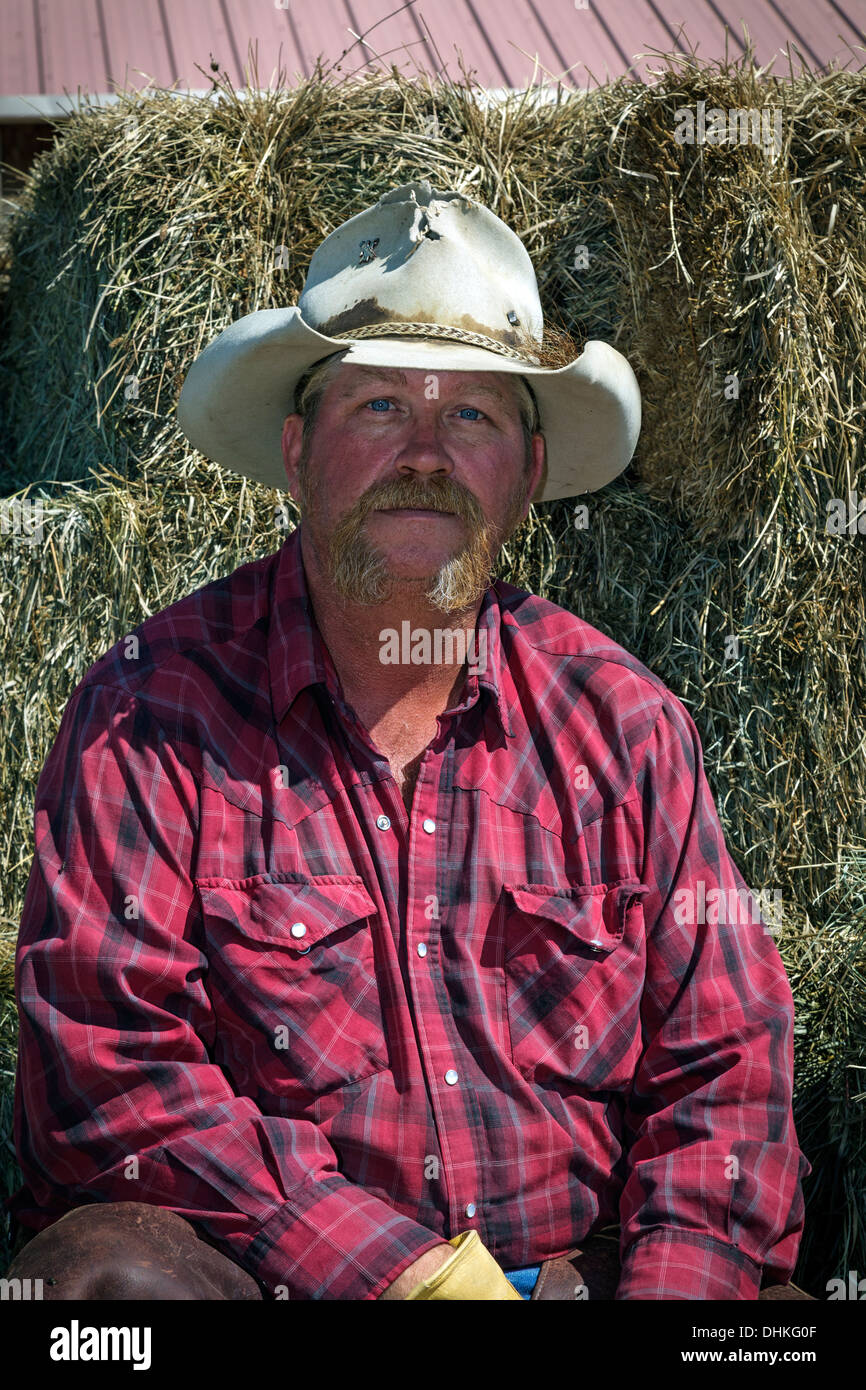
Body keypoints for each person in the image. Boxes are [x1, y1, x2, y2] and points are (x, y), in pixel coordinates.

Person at [5, 181, 813, 1300]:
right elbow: (109, 1076)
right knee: (101, 1288)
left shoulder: (623, 724)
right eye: (379, 406)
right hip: (276, 1281)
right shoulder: (152, 713)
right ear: (296, 452)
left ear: (526, 474)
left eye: (471, 414)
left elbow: (727, 1070)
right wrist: (415, 1282)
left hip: (577, 1282)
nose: (424, 453)